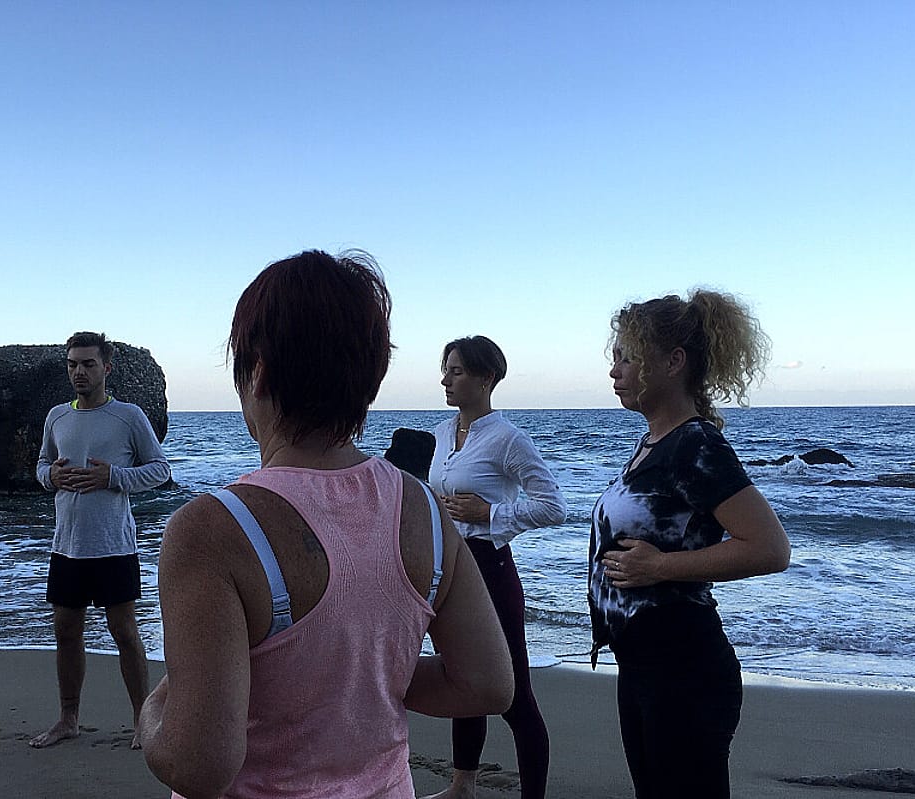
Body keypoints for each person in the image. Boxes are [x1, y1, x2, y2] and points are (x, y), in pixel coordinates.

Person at [138, 250, 514, 799]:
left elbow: (199, 767)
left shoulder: (212, 529)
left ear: (257, 372)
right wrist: (362, 679)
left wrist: (154, 713)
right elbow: (486, 683)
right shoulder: (424, 507)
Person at [589, 291, 791, 798]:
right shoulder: (654, 442)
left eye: (627, 356)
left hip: (682, 667)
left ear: (673, 362)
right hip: (641, 663)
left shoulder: (695, 443)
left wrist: (661, 566)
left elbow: (770, 547)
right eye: (614, 356)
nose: (615, 369)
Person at [426, 335, 568, 799]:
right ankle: (461, 785)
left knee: (514, 695)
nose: (445, 379)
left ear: (487, 378)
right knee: (460, 676)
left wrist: (490, 514)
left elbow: (553, 507)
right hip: (449, 569)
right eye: (446, 369)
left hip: (490, 568)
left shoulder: (509, 439)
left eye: (457, 371)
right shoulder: (445, 432)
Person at [30, 331, 172, 750]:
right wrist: (50, 477)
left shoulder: (128, 416)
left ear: (106, 368)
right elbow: (41, 466)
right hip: (67, 546)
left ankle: (142, 721)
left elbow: (160, 470)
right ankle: (68, 718)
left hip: (114, 545)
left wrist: (112, 477)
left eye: (88, 364)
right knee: (65, 630)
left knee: (124, 631)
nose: (79, 371)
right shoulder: (57, 416)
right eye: (73, 364)